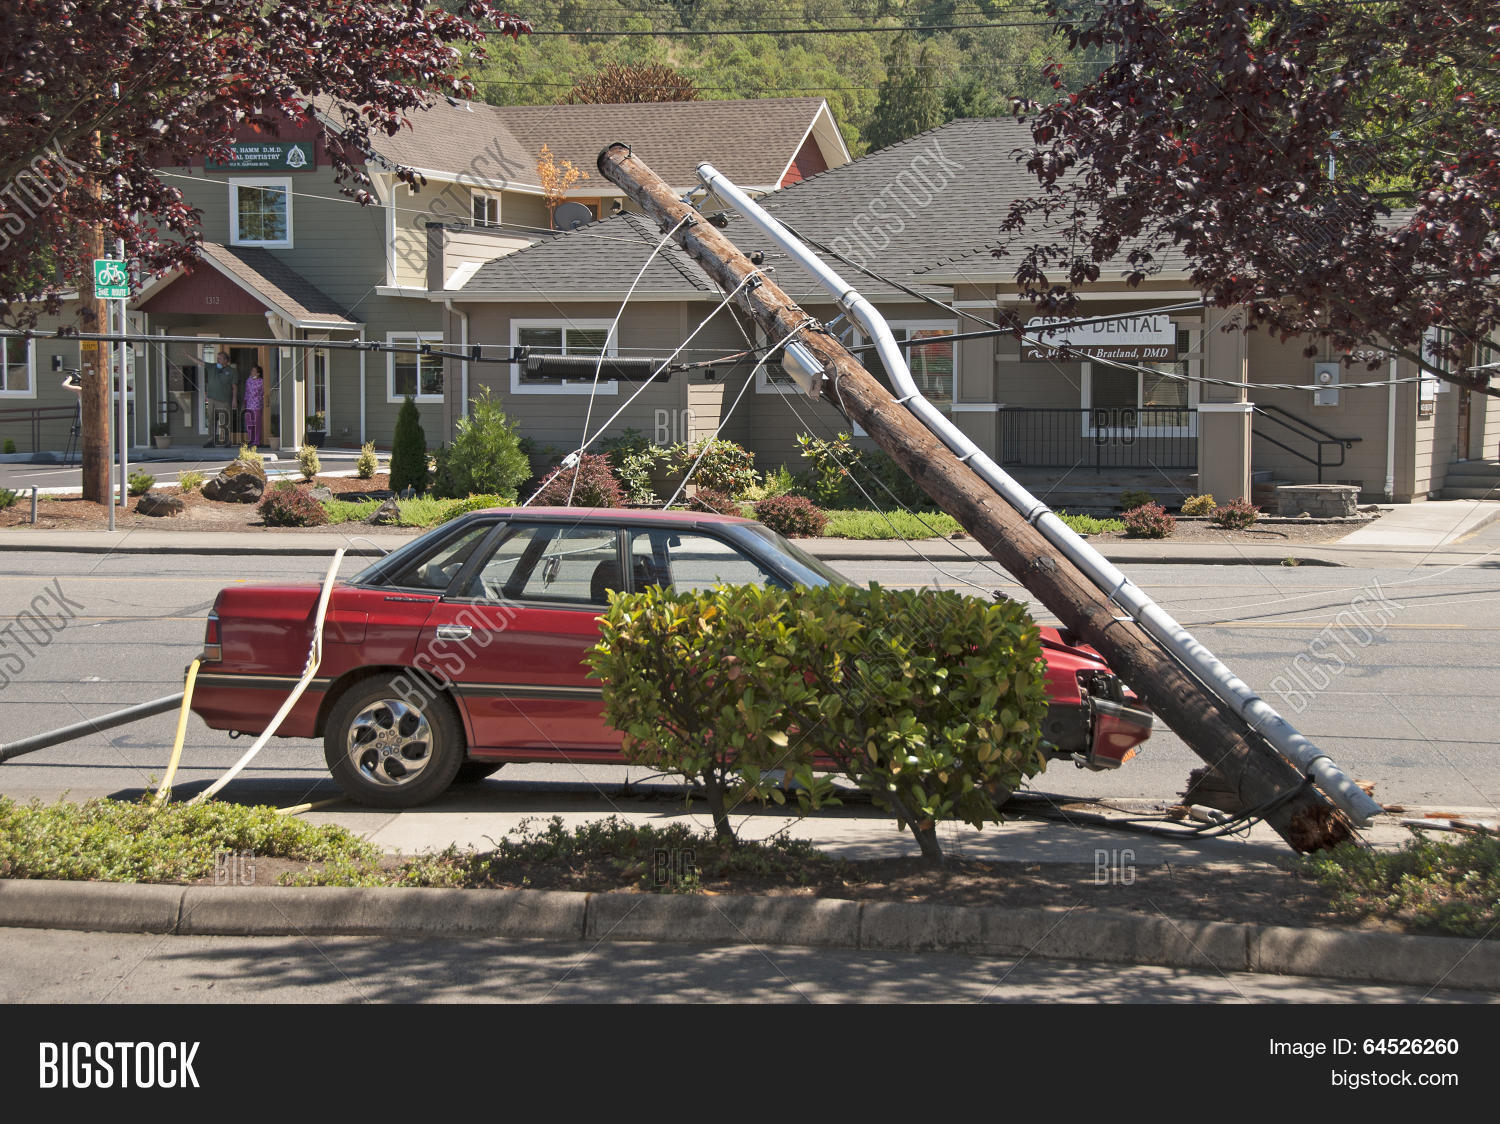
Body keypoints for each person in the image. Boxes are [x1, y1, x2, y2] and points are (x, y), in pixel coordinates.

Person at [204, 351, 236, 447]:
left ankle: (226, 441)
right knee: (211, 420)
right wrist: (188, 355)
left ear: (226, 360)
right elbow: (200, 362)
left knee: (224, 421)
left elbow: (234, 386)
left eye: (220, 358)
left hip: (224, 400)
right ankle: (211, 441)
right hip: (212, 399)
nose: (218, 360)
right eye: (217, 358)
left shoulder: (231, 371)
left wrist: (234, 399)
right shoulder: (212, 367)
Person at [244, 365, 265, 448]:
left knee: (257, 424)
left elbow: (263, 392)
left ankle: (256, 441)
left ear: (258, 373)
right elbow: (246, 392)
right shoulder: (248, 381)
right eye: (251, 370)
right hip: (249, 404)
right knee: (249, 423)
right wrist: (244, 402)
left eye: (254, 371)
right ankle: (251, 440)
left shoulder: (261, 381)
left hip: (257, 404)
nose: (252, 372)